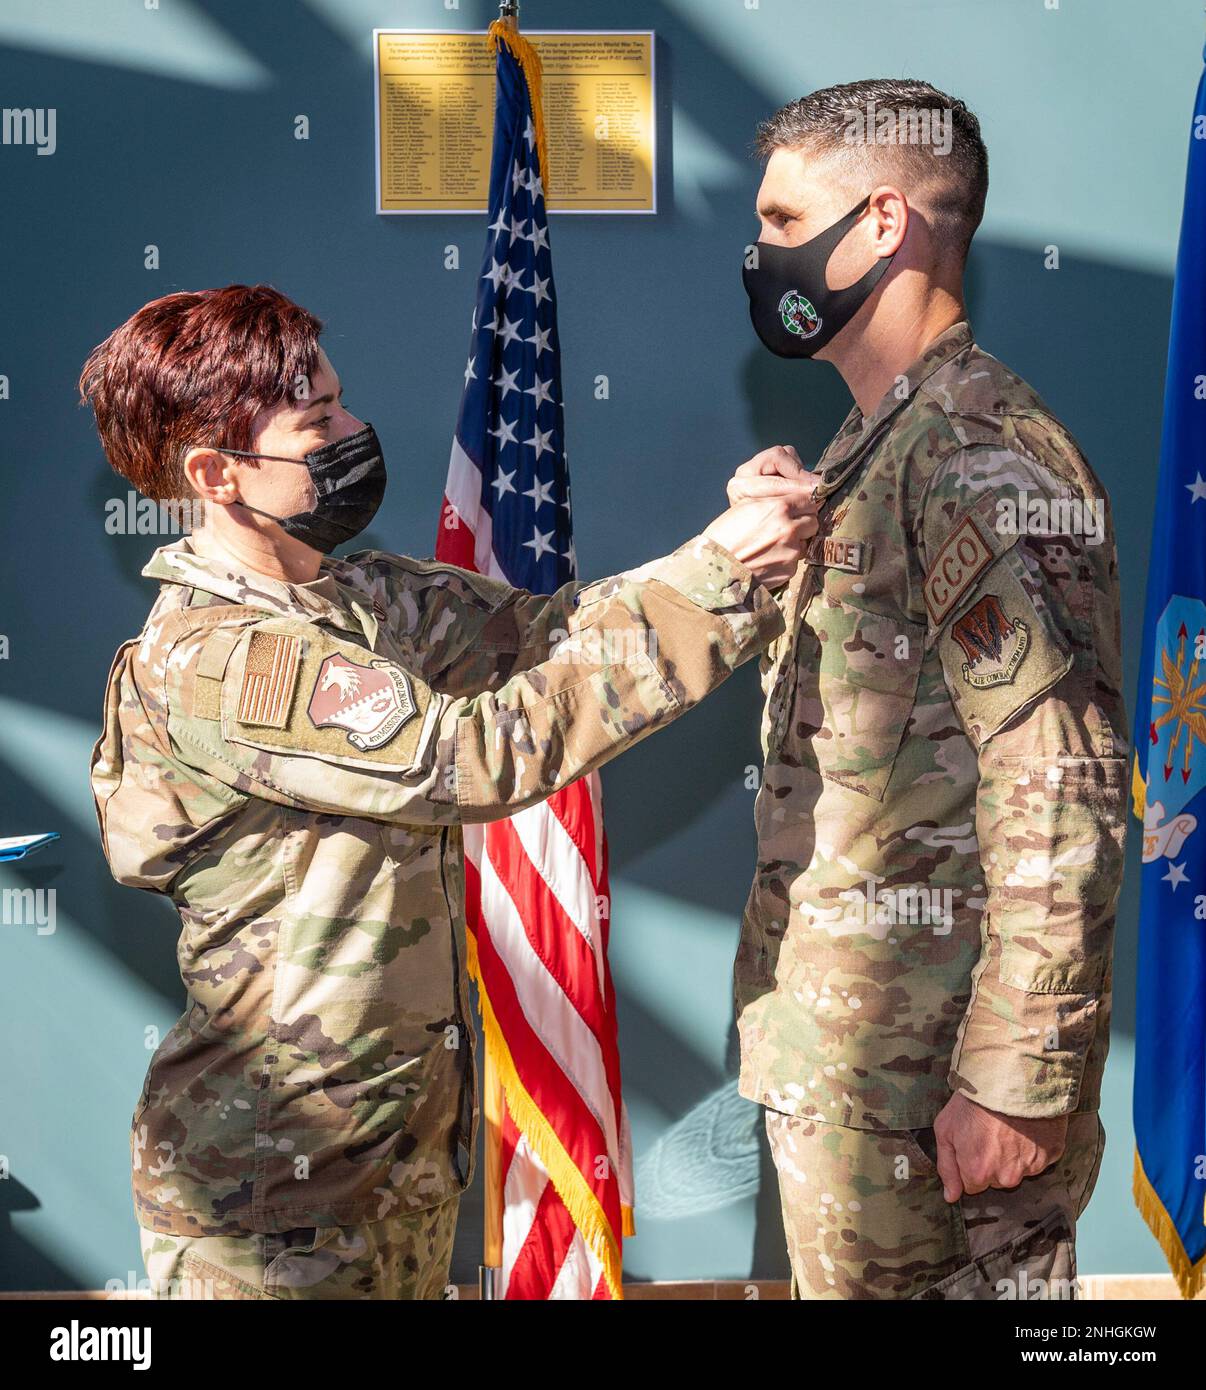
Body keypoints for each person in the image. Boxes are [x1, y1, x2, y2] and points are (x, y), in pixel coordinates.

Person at [83, 284, 814, 1300]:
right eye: (317, 421)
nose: (351, 429)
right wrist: (721, 583)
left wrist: (722, 551)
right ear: (217, 474)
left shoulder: (362, 596)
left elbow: (554, 633)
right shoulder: (226, 659)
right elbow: (474, 757)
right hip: (276, 1199)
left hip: (397, 1156)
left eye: (342, 401)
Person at [731, 78, 1127, 1299]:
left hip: (939, 1093)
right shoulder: (878, 445)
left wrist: (1016, 1073)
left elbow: (1064, 776)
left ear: (885, 224)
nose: (762, 254)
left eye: (785, 220)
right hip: (861, 1071)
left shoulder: (975, 455)